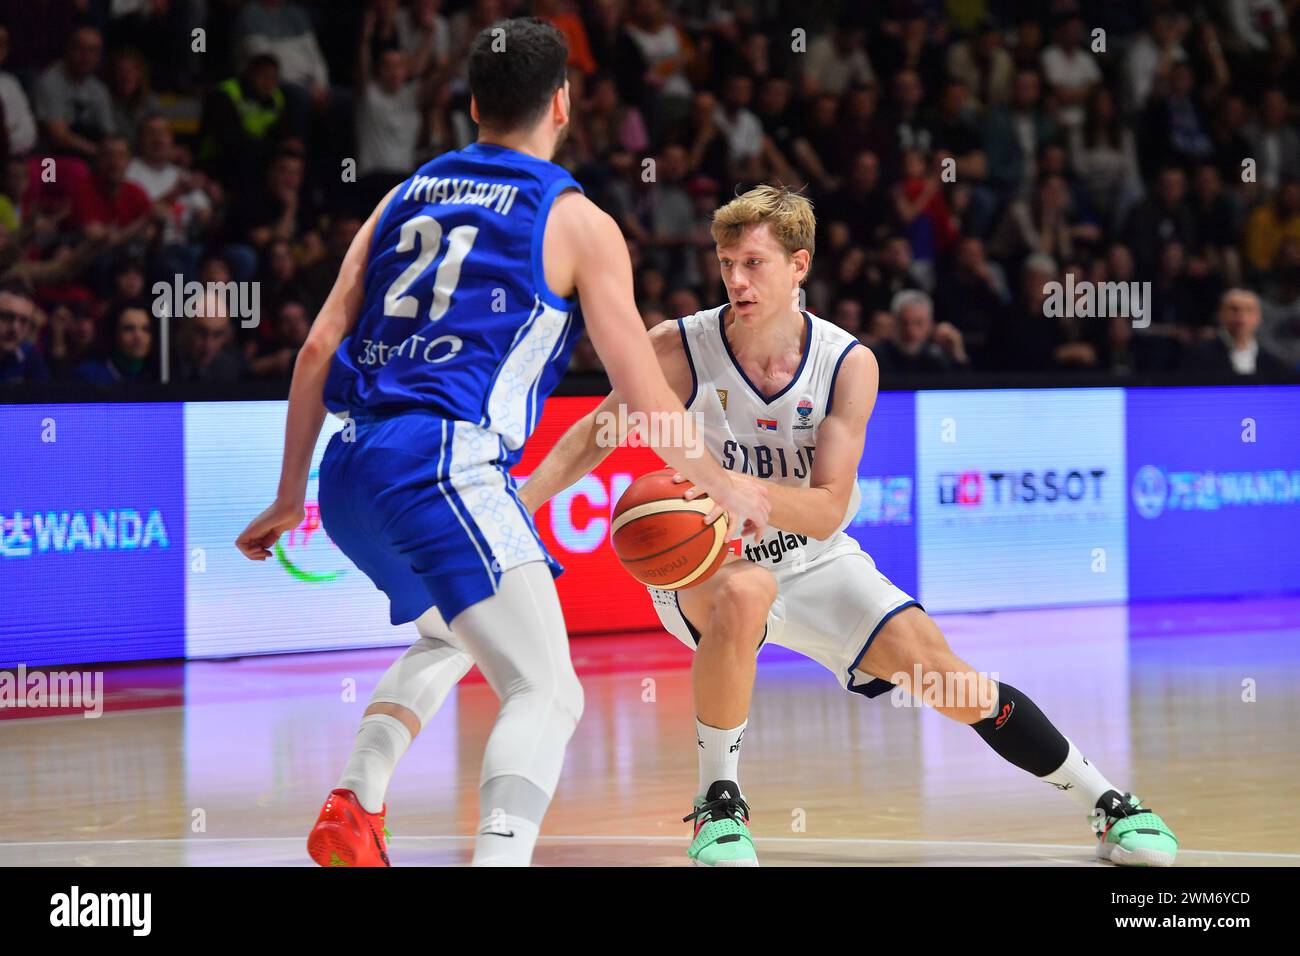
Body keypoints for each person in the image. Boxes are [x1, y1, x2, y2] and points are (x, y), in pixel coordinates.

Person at [234, 17, 768, 869]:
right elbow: (642, 392)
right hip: (442, 463)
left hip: (348, 469)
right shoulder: (577, 220)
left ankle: (353, 804)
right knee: (548, 692)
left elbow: (313, 349)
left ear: (472, 102)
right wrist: (726, 486)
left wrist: (289, 494)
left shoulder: (399, 195)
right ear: (564, 101)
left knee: (450, 637)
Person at [519, 185, 1179, 868]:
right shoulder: (678, 348)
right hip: (711, 565)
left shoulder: (846, 363)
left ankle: (1109, 803)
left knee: (952, 681)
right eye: (725, 264)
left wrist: (735, 490)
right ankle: (719, 804)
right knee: (747, 596)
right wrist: (523, 502)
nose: (736, 280)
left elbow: (830, 506)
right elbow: (595, 434)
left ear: (799, 265)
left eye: (754, 263)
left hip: (815, 557)